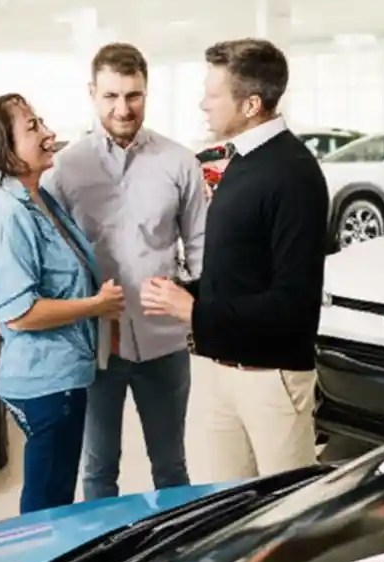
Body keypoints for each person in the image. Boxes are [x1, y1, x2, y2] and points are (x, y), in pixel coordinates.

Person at [140, 38, 328, 479]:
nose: (203, 104)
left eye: (213, 94)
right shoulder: (243, 160)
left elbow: (294, 303)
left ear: (251, 104)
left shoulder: (294, 174)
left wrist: (195, 312)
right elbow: (242, 272)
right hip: (220, 370)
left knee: (284, 508)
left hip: (271, 380)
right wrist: (186, 293)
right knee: (224, 505)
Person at [48, 43, 207, 500]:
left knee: (172, 467)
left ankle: (176, 543)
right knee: (98, 470)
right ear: (92, 93)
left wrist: (200, 317)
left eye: (133, 95)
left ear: (147, 92)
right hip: (96, 345)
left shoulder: (179, 162)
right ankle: (104, 545)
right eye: (111, 96)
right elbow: (53, 254)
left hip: (164, 341)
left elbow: (201, 248)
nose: (123, 109)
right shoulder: (65, 168)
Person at [0, 93, 125, 514]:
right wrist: (96, 305)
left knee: (56, 498)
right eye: (32, 127)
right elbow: (19, 313)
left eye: (42, 122)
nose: (49, 134)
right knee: (47, 508)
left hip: (63, 374)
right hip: (45, 383)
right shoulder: (7, 214)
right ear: (4, 148)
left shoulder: (38, 198)